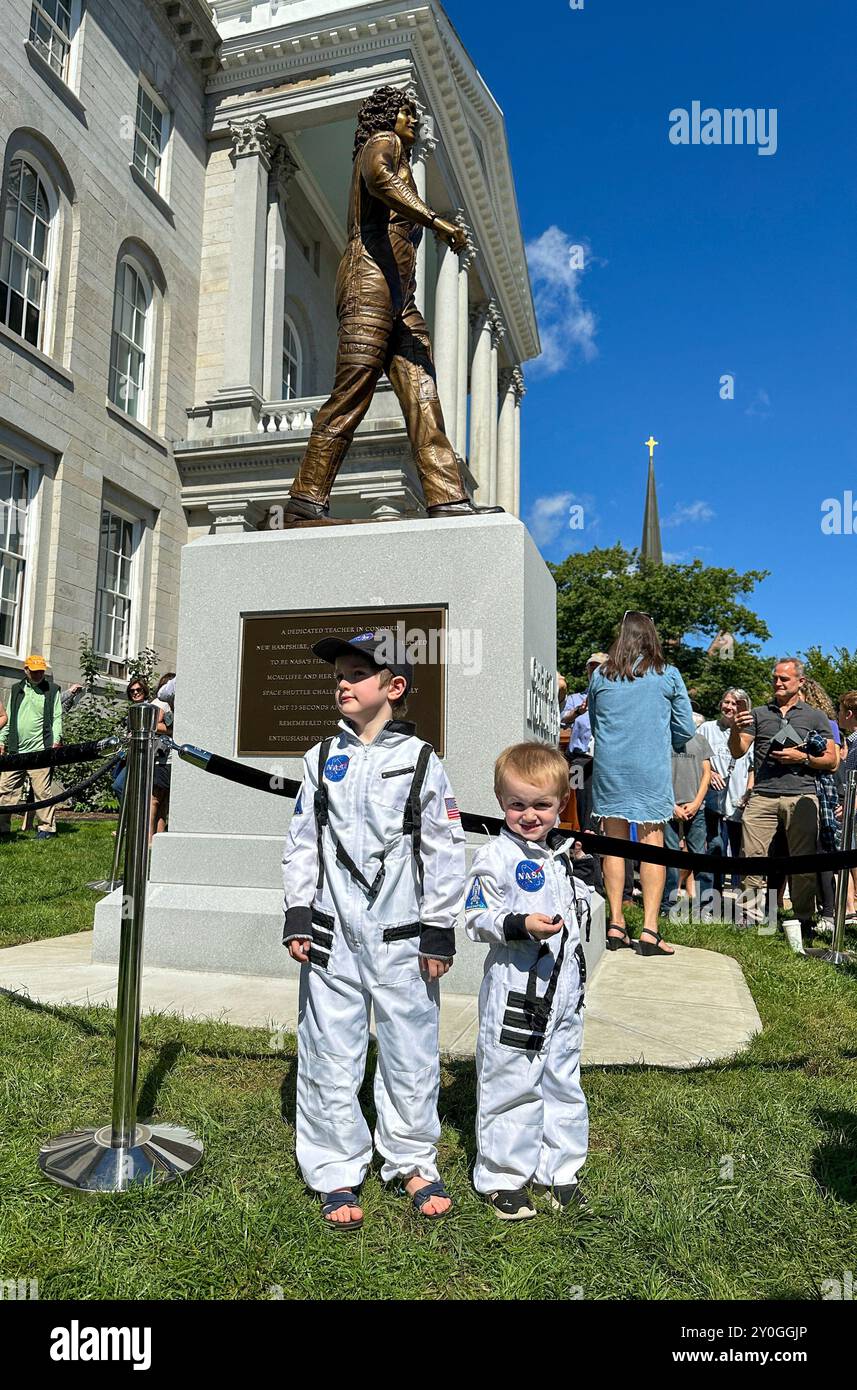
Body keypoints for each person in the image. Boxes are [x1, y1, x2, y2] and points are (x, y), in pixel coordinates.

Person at [281, 630, 466, 1231]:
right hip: (333, 932)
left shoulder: (420, 762)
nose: (342, 683)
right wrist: (297, 913)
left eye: (357, 673)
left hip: (402, 934)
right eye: (338, 674)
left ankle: (410, 1159)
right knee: (329, 1049)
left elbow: (442, 848)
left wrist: (439, 929)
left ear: (393, 687)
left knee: (410, 1049)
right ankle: (335, 1165)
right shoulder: (318, 759)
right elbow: (302, 843)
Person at [283, 87, 502, 523]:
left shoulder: (402, 155)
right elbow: (380, 179)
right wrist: (436, 221)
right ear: (386, 116)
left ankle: (447, 497)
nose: (413, 120)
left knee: (423, 392)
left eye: (413, 114)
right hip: (368, 286)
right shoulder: (381, 143)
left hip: (401, 300)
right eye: (406, 112)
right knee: (352, 394)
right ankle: (305, 502)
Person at [464, 742, 593, 1220]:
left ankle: (559, 1170)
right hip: (517, 989)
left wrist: (583, 869)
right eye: (517, 804)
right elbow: (476, 915)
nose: (529, 815)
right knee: (511, 1079)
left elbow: (578, 907)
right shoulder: (495, 855)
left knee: (563, 1079)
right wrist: (518, 924)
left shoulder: (558, 855)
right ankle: (504, 1176)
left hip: (564, 994)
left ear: (562, 804)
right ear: (501, 801)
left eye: (541, 805)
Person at [588, 613, 696, 956]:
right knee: (652, 845)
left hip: (610, 767)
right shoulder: (668, 675)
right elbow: (685, 730)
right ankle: (650, 930)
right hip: (650, 766)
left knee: (615, 844)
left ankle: (616, 923)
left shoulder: (601, 676)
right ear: (652, 637)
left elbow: (594, 723)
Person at [729, 658, 837, 945]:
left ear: (800, 682)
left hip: (802, 795)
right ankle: (748, 917)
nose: (778, 683)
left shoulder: (816, 717)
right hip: (763, 796)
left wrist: (801, 757)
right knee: (751, 857)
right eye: (775, 678)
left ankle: (803, 919)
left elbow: (832, 761)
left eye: (785, 679)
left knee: (801, 863)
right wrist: (734, 728)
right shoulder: (759, 714)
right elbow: (739, 751)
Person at [0, 654, 65, 841]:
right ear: (26, 670)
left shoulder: (52, 690)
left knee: (42, 792)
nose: (38, 674)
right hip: (15, 750)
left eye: (41, 671)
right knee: (5, 789)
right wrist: (2, 740)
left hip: (40, 750)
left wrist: (55, 741)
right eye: (34, 671)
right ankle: (2, 828)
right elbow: (9, 716)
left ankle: (47, 829)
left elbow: (57, 717)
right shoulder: (16, 689)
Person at [699, 689, 754, 892]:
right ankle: (714, 894)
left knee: (740, 849)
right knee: (714, 847)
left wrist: (749, 792)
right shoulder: (706, 729)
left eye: (736, 704)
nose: (730, 707)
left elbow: (753, 767)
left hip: (738, 800)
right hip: (713, 799)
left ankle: (739, 893)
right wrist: (710, 773)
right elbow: (696, 757)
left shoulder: (750, 732)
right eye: (727, 702)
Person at [660, 729, 714, 918]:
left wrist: (697, 802)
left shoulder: (700, 740)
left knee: (700, 857)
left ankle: (705, 907)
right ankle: (668, 906)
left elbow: (707, 774)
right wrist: (671, 805)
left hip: (695, 808)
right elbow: (657, 773)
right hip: (668, 808)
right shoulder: (662, 738)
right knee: (670, 858)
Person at [561, 652, 607, 835]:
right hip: (579, 761)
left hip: (605, 760)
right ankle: (583, 843)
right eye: (592, 667)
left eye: (600, 667)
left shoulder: (614, 698)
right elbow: (562, 719)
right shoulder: (575, 699)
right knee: (576, 802)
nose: (595, 671)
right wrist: (578, 712)